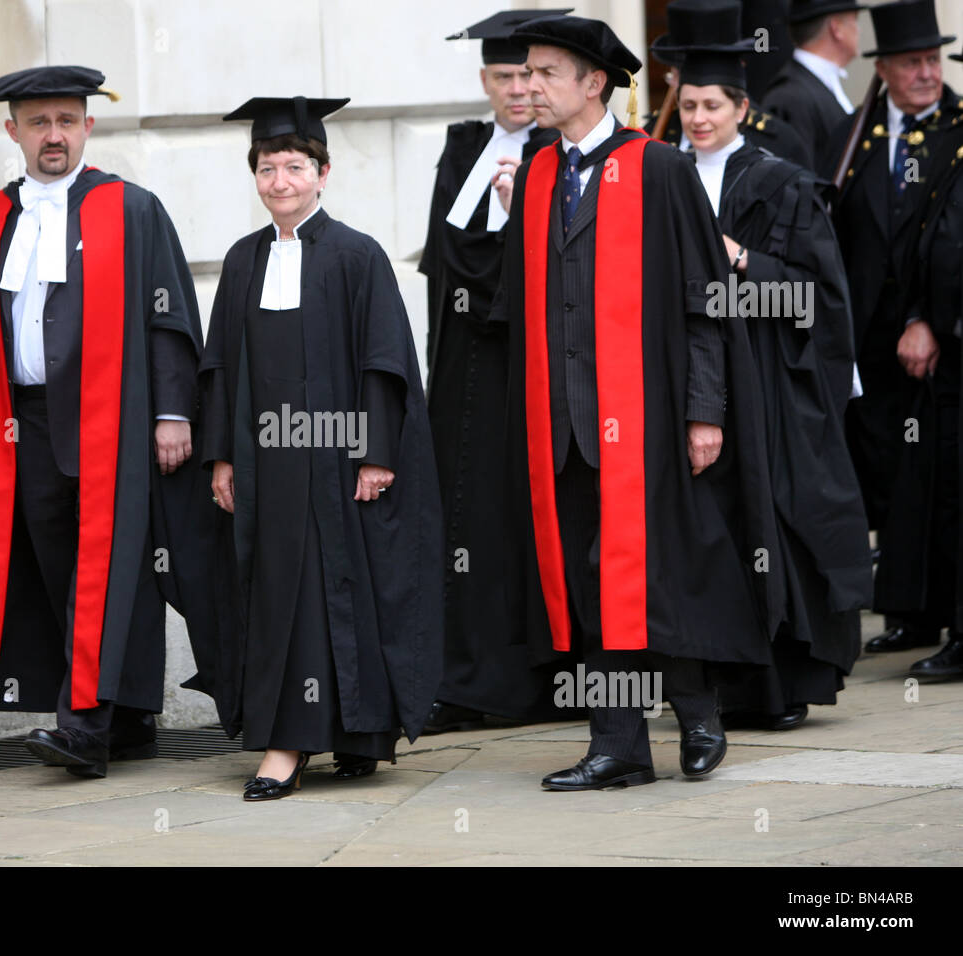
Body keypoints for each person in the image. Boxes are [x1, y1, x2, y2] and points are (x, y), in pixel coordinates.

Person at [0, 65, 217, 780]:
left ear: (88, 127)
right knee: (57, 573)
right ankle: (129, 717)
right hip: (23, 426)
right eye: (39, 123)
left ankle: (82, 731)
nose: (54, 135)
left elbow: (170, 321)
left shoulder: (132, 209)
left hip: (116, 425)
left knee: (104, 574)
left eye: (66, 121)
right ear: (12, 131)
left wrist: (173, 414)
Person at [494, 15, 778, 790]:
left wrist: (704, 409)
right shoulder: (540, 173)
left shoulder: (657, 169)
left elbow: (703, 299)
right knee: (590, 586)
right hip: (566, 423)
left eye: (546, 72)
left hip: (645, 415)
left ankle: (696, 709)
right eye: (525, 73)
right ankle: (617, 744)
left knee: (660, 573)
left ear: (594, 82)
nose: (529, 87)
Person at [201, 96, 443, 799]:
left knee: (338, 592)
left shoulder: (357, 256)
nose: (281, 180)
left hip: (337, 463)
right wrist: (222, 456)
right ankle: (293, 737)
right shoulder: (243, 262)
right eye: (268, 168)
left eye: (295, 166)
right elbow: (219, 367)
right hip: (265, 466)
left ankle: (336, 736)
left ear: (323, 173)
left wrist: (376, 452)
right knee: (280, 595)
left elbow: (385, 360)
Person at [673, 37, 872, 730]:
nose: (699, 117)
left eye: (712, 105)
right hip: (688, 386)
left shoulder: (780, 184)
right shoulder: (663, 180)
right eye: (690, 104)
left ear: (742, 108)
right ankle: (712, 685)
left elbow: (817, 297)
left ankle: (781, 685)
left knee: (771, 520)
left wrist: (745, 262)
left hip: (767, 389)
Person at [420, 9, 578, 736]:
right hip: (464, 367)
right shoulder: (465, 149)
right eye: (505, 76)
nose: (519, 90)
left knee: (529, 515)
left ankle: (543, 682)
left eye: (531, 75)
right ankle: (464, 679)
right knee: (464, 517)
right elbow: (443, 257)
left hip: (532, 362)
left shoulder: (561, 152)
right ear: (485, 80)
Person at [820, 0, 963, 656]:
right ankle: (907, 610)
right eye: (914, 62)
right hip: (872, 338)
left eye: (934, 60)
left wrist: (928, 320)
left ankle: (938, 606)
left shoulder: (959, 131)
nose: (928, 73)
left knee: (935, 475)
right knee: (891, 476)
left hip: (936, 336)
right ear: (885, 70)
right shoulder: (859, 133)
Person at [899, 42, 963, 683]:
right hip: (951, 349)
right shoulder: (950, 141)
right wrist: (920, 316)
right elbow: (924, 236)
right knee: (949, 494)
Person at [648, 0, 813, 170]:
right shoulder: (651, 134)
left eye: (712, 105)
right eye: (676, 76)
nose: (698, 118)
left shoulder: (778, 142)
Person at [764, 0, 866, 168]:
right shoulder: (790, 98)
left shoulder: (817, 85)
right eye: (854, 20)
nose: (858, 29)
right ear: (836, 28)